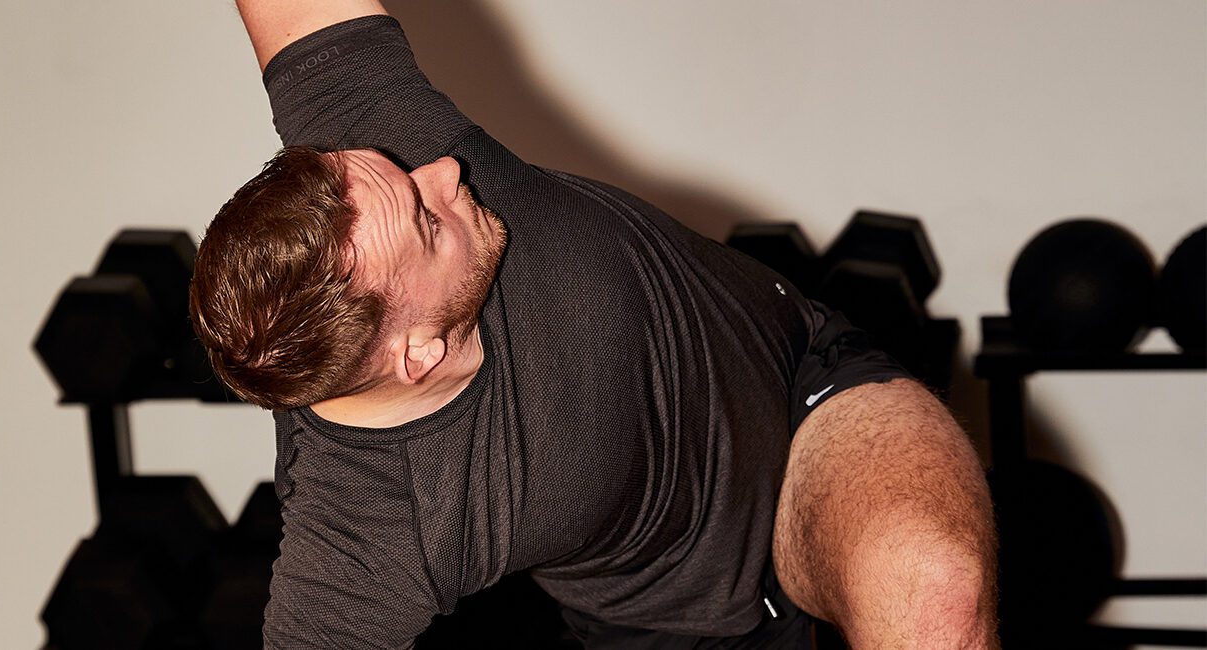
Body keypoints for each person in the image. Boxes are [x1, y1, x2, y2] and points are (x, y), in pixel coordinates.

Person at [189, 1, 999, 647]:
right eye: (428, 222)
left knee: (934, 595)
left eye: (406, 171)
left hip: (805, 388)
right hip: (679, 626)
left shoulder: (372, 154)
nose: (444, 171)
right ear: (416, 352)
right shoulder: (365, 531)